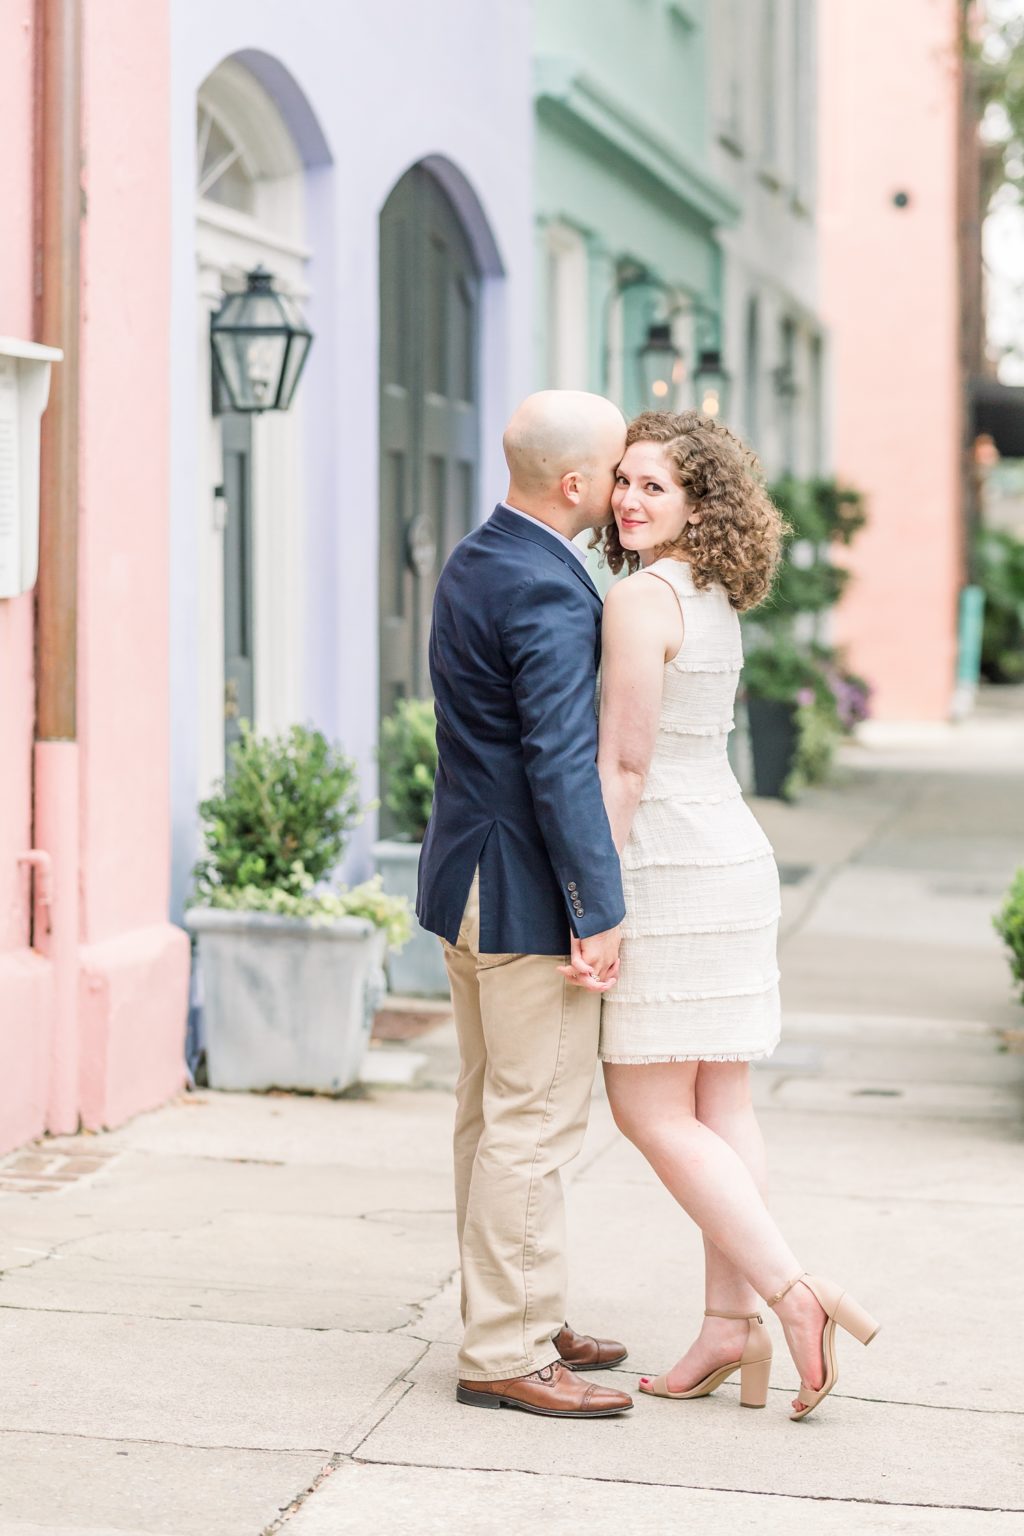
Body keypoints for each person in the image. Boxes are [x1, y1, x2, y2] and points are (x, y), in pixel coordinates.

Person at [585, 410, 879, 1421]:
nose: (629, 500)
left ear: (699, 504)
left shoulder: (641, 598)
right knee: (722, 1108)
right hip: (730, 858)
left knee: (648, 1111)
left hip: (669, 868)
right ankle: (725, 1326)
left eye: (654, 486)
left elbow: (624, 767)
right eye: (624, 480)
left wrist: (595, 902)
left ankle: (793, 1297)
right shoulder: (711, 596)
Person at [417, 390, 634, 1419]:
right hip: (519, 892)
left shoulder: (478, 555)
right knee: (533, 1120)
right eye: (616, 471)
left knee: (490, 1111)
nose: (623, 489)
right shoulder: (547, 585)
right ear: (576, 483)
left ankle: (521, 1315)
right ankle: (506, 1348)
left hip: (465, 877)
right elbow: (558, 762)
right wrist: (597, 904)